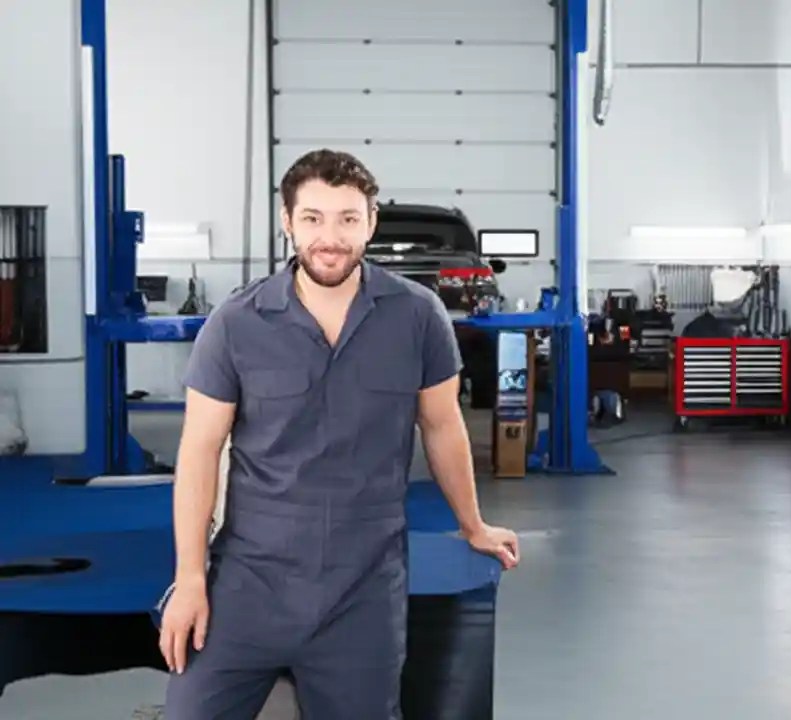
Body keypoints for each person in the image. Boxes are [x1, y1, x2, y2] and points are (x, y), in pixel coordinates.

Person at [158, 149, 520, 719]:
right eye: (313, 218)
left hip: (363, 590)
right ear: (288, 222)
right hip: (249, 582)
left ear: (371, 223)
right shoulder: (237, 322)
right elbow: (199, 453)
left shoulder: (417, 316)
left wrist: (472, 524)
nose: (331, 236)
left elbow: (443, 426)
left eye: (348, 218)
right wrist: (189, 579)